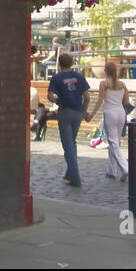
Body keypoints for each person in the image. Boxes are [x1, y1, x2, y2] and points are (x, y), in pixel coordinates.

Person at [47, 53, 91, 187]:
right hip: (78, 112)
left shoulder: (56, 78)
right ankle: (69, 173)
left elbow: (49, 96)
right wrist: (84, 111)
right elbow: (87, 97)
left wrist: (57, 100)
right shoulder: (79, 76)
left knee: (68, 146)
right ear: (72, 63)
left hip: (65, 112)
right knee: (72, 142)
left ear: (59, 64)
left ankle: (75, 178)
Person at [85, 60, 132, 180]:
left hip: (109, 113)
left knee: (113, 142)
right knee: (115, 141)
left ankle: (125, 168)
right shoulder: (123, 84)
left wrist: (91, 115)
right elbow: (127, 102)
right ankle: (111, 170)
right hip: (121, 113)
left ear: (105, 71)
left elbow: (100, 101)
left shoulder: (104, 83)